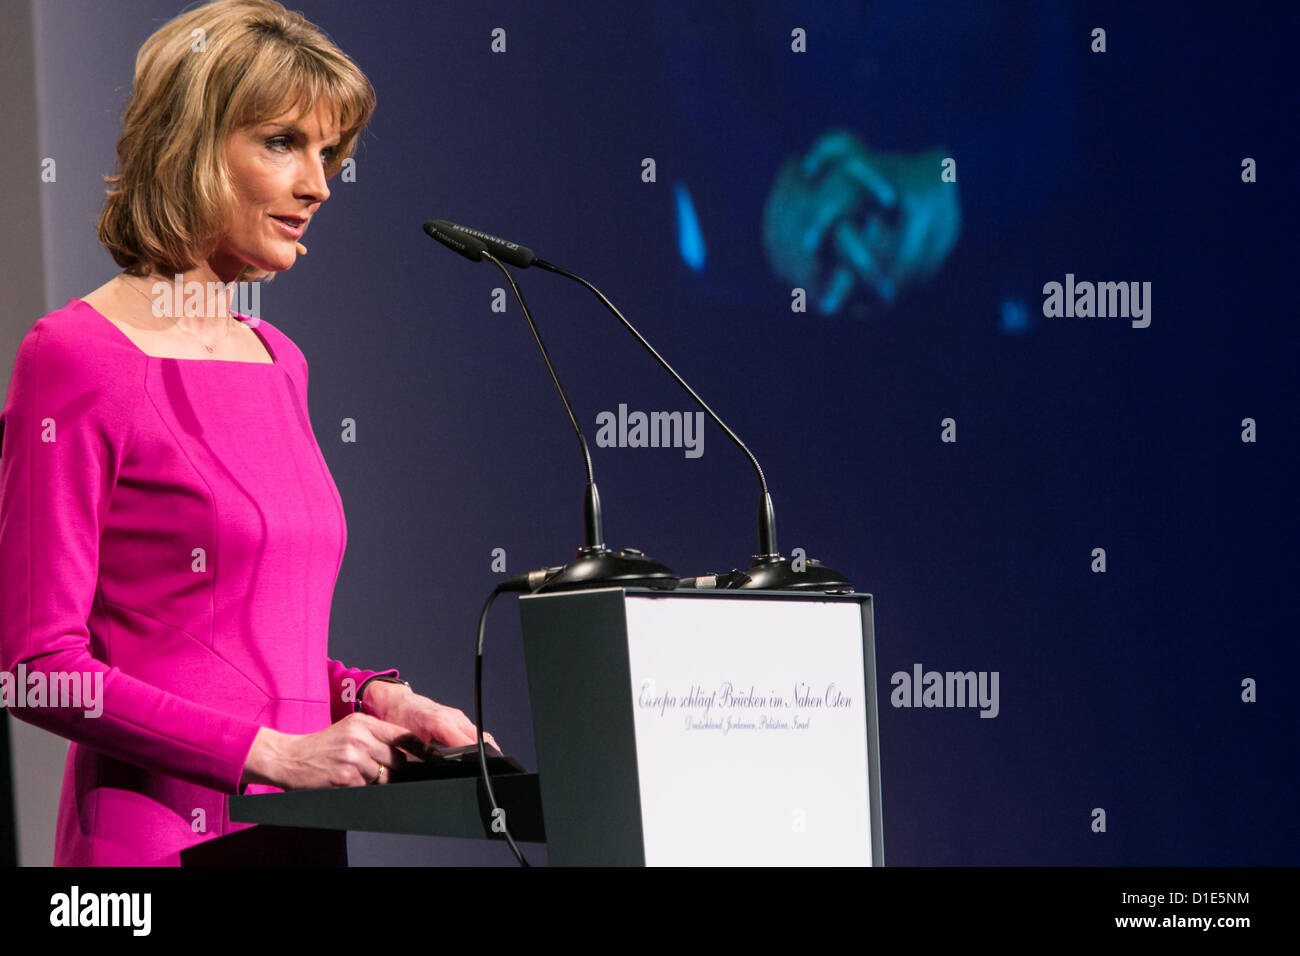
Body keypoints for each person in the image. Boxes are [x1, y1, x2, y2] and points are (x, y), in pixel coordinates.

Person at [0, 0, 496, 866]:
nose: (319, 183)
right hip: (154, 846)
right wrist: (268, 754)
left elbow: (234, 640)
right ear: (189, 144)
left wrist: (377, 702)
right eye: (282, 143)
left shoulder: (280, 361)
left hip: (297, 834)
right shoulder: (75, 356)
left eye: (328, 152)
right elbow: (40, 666)